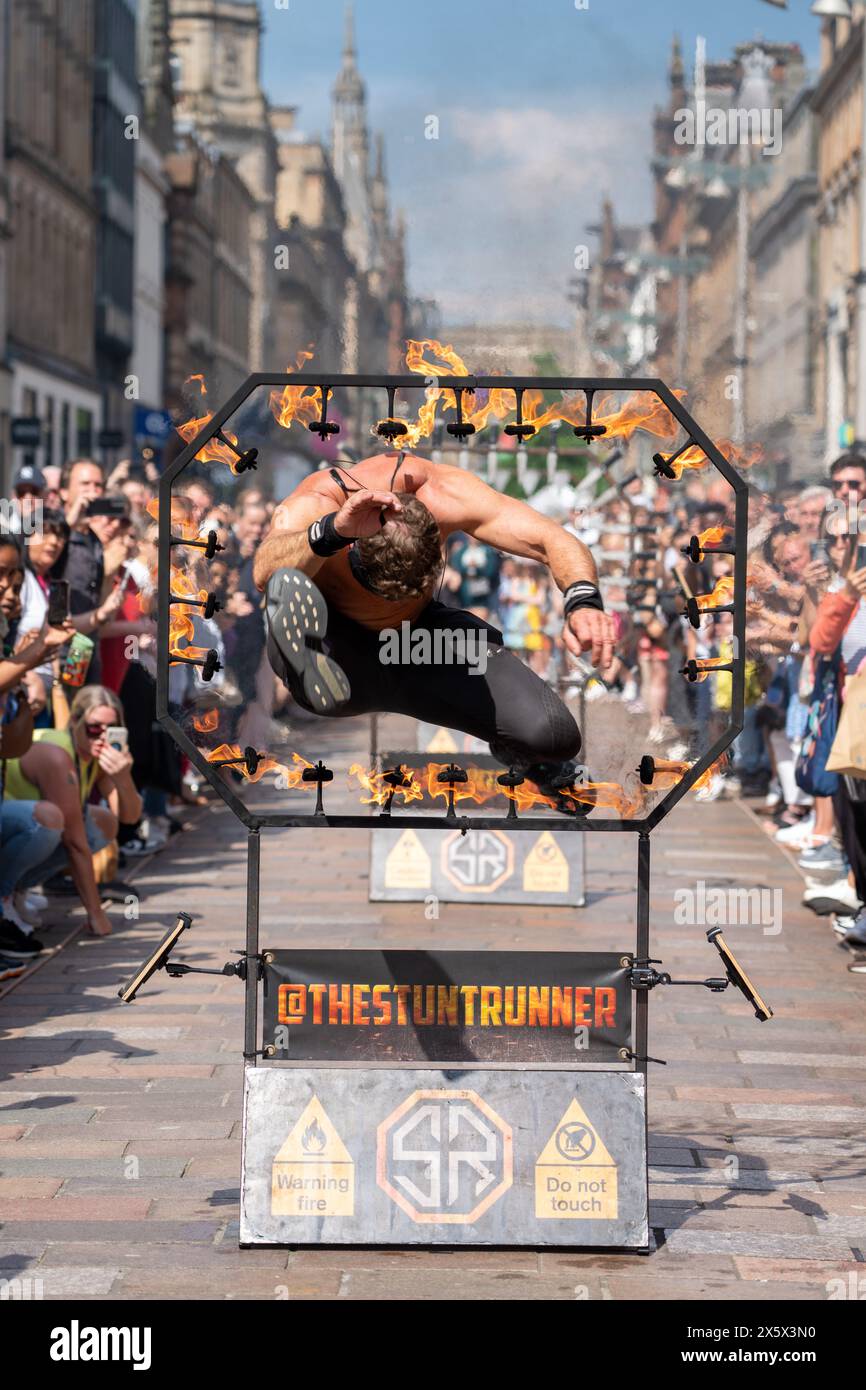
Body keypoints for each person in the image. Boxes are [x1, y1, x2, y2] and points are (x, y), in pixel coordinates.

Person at [252, 450, 615, 812]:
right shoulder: (318, 502)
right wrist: (330, 532)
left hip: (418, 644)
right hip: (339, 650)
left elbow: (553, 539)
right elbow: (263, 572)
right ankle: (301, 659)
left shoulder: (444, 493)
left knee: (554, 736)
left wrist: (583, 601)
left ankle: (529, 757)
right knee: (286, 579)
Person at [3, 684, 142, 938]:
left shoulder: (92, 755)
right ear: (75, 720)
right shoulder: (58, 755)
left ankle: (18, 890)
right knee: (52, 820)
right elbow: (75, 843)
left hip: (21, 827)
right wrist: (96, 915)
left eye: (112, 730)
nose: (103, 737)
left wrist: (123, 779)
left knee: (104, 823)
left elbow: (128, 818)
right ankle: (4, 895)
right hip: (12, 819)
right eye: (94, 728)